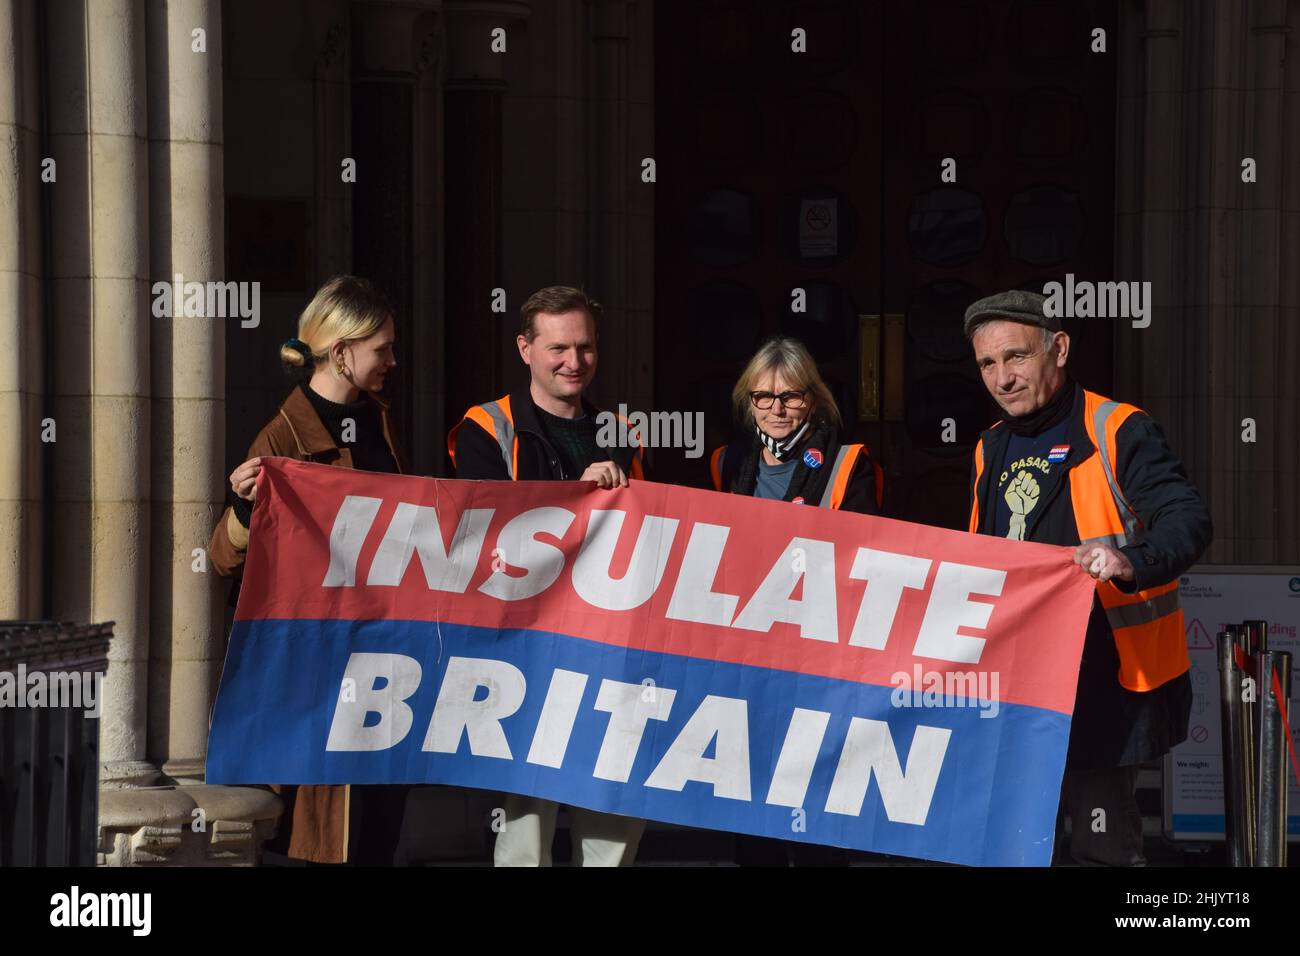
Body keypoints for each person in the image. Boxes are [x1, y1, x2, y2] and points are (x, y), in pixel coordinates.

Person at [963, 289, 1211, 866]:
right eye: (987, 364)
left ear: (1059, 348)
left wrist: (1129, 560)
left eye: (1016, 357)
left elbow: (1189, 520)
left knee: (1100, 848)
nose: (1003, 378)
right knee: (1017, 848)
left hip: (1106, 684)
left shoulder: (1117, 427)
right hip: (1019, 688)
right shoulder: (989, 446)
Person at [210, 274, 409, 865]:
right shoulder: (282, 437)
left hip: (384, 656)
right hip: (317, 672)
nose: (393, 361)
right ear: (342, 352)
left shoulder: (379, 421)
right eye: (383, 348)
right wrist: (245, 508)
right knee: (321, 835)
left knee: (376, 825)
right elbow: (223, 560)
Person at [448, 285, 646, 866]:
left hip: (608, 645)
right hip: (523, 648)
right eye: (558, 347)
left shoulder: (624, 433)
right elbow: (481, 532)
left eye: (585, 347)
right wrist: (575, 497)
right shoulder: (485, 427)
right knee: (524, 822)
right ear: (525, 348)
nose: (574, 362)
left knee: (611, 803)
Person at [710, 335, 883, 866]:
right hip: (747, 662)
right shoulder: (725, 462)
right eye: (763, 397)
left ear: (814, 398)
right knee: (750, 804)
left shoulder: (850, 462)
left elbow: (868, 561)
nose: (777, 409)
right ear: (748, 401)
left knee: (820, 813)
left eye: (791, 396)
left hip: (820, 660)